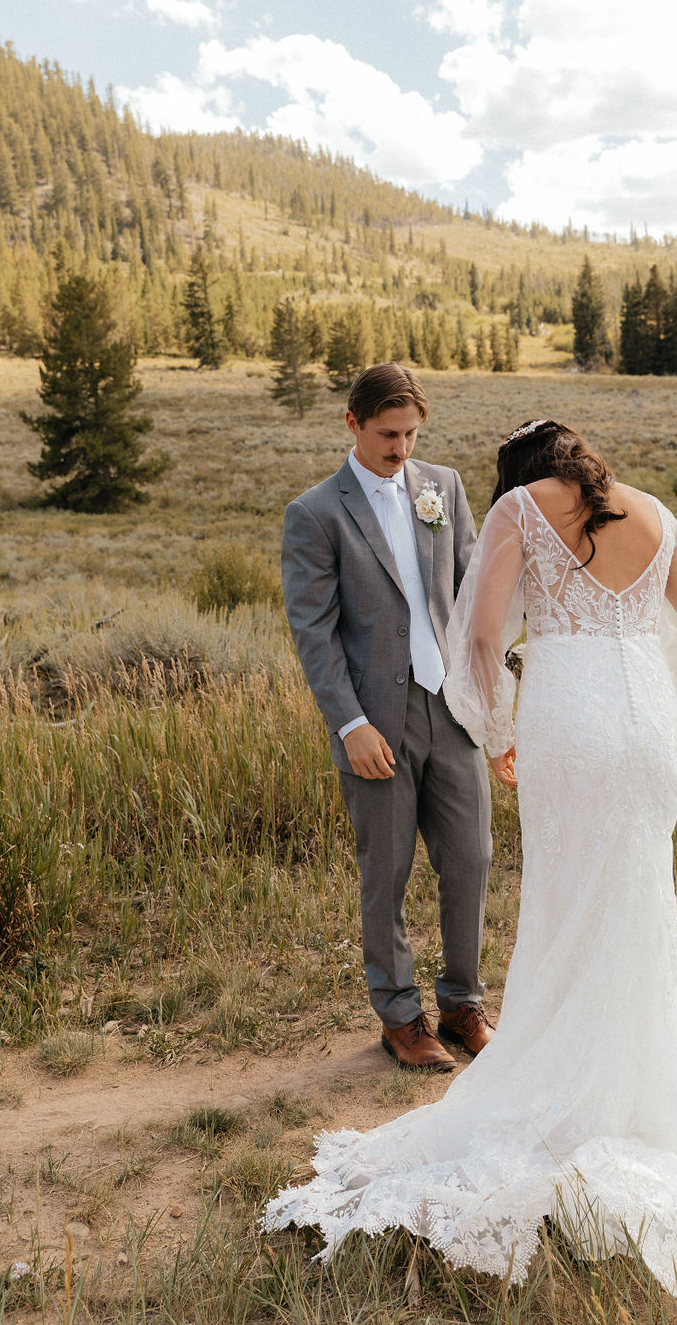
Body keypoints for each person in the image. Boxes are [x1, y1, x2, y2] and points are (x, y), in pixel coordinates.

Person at [265, 418, 677, 1324]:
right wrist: (675, 724)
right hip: (646, 734)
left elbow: (479, 638)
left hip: (570, 726)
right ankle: (644, 1098)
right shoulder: (658, 513)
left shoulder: (520, 508)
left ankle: (570, 1085)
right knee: (638, 909)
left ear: (524, 475)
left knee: (567, 903)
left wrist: (497, 730)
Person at [280, 362, 493, 1071]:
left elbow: (467, 590)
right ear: (352, 425)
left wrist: (494, 684)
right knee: (389, 872)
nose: (401, 449)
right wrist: (350, 724)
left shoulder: (444, 486)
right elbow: (314, 632)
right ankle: (401, 1016)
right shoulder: (315, 513)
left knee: (471, 859)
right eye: (386, 435)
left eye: (409, 435)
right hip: (376, 719)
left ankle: (462, 1003)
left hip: (452, 707)